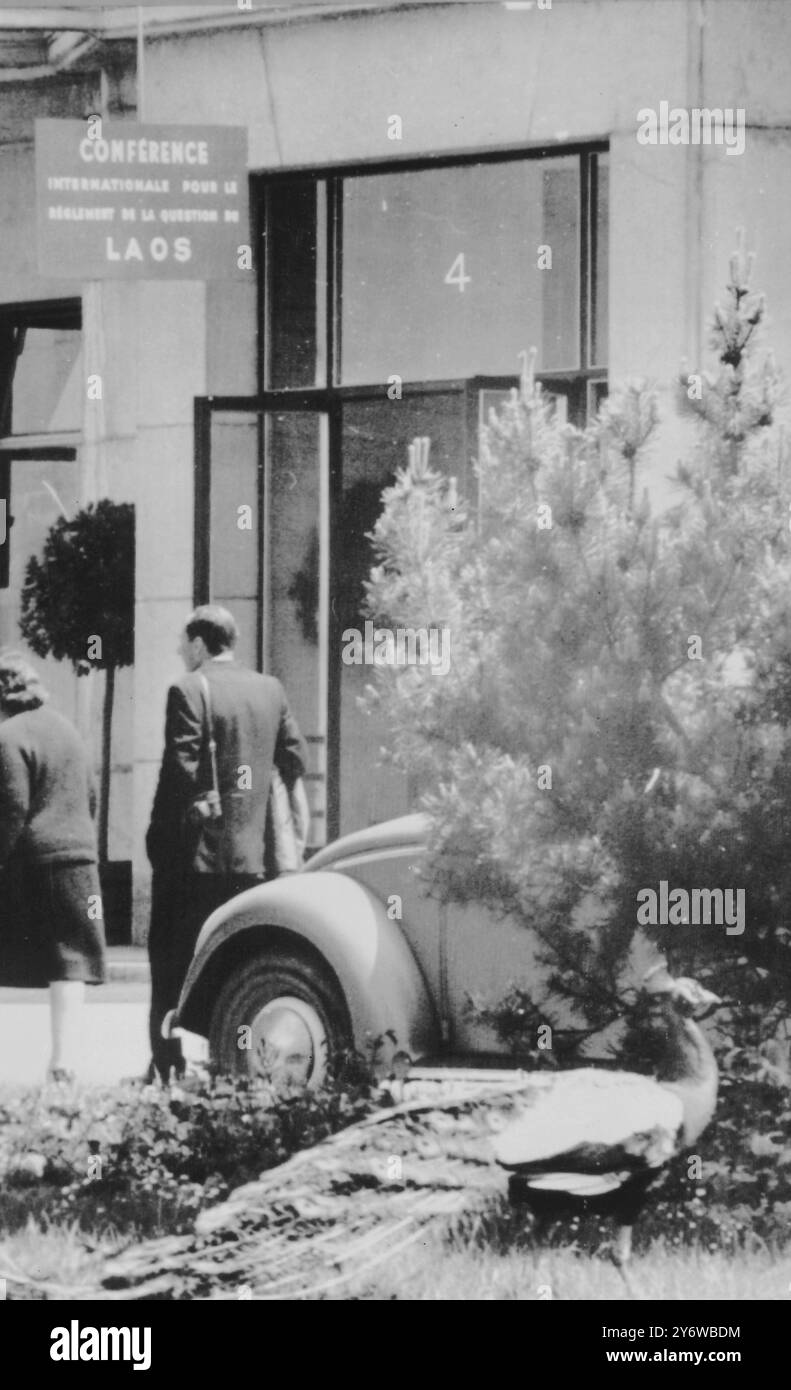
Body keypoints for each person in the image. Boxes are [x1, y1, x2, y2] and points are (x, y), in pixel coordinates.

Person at [146, 605, 309, 1081]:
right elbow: (294, 761)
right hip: (254, 864)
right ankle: (233, 1067)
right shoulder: (270, 689)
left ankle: (167, 1065)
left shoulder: (187, 689)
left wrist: (163, 841)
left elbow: (181, 771)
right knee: (239, 966)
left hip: (193, 865)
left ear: (199, 643)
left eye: (184, 643)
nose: (180, 651)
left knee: (171, 967)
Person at [0, 651, 106, 1081]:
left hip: (34, 862)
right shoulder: (69, 731)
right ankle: (64, 1061)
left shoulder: (8, 736)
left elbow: (11, 809)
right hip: (80, 860)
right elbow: (91, 796)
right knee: (71, 962)